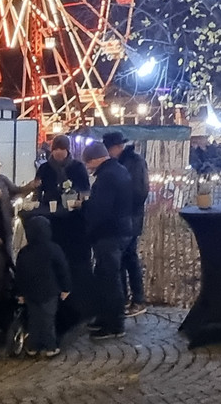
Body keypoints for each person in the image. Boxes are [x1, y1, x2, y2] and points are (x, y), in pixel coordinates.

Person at [81, 141, 133, 339]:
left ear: (95, 159)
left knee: (110, 279)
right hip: (121, 230)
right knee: (106, 276)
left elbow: (100, 210)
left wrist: (85, 210)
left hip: (108, 233)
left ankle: (114, 324)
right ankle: (105, 317)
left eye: (88, 162)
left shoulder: (107, 176)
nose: (87, 166)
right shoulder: (119, 170)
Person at [103, 131, 150, 317]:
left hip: (130, 217)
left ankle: (136, 299)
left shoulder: (134, 162)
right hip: (124, 218)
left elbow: (139, 191)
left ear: (116, 148)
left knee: (127, 258)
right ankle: (126, 298)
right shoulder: (122, 162)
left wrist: (120, 204)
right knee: (125, 259)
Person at [13, 216, 70, 358]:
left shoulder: (24, 252)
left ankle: (33, 346)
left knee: (34, 319)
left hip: (30, 292)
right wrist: (66, 288)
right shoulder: (53, 249)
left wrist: (20, 293)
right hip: (49, 291)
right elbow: (62, 269)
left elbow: (19, 274)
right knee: (48, 319)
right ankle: (50, 346)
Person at [31, 135, 75, 204]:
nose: (58, 152)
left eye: (62, 149)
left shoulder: (77, 167)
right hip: (47, 206)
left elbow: (84, 190)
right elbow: (37, 191)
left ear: (68, 150)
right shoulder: (44, 168)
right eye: (55, 149)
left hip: (71, 207)